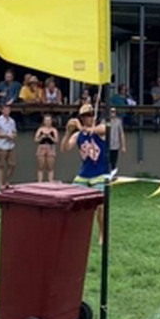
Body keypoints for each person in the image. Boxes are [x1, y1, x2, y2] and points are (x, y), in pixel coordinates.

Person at [64, 104, 109, 244]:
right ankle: (75, 233)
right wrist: (67, 132)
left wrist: (80, 128)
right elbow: (65, 148)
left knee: (101, 206)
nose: (89, 118)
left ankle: (102, 233)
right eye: (86, 116)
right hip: (84, 173)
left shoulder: (100, 129)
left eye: (91, 115)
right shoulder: (78, 135)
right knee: (71, 203)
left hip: (100, 173)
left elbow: (102, 129)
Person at [0, 103, 18, 189]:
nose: (7, 111)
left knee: (12, 164)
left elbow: (14, 132)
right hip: (1, 145)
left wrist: (13, 136)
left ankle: (7, 181)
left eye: (8, 109)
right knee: (1, 164)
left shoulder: (12, 121)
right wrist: (6, 135)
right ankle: (0, 184)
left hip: (10, 145)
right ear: (1, 110)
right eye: (5, 109)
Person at [33, 114, 59, 183]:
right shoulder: (40, 129)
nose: (48, 122)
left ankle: (50, 180)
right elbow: (36, 140)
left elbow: (56, 140)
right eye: (46, 120)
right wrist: (42, 137)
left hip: (50, 147)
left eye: (49, 120)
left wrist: (50, 137)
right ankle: (40, 181)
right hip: (42, 147)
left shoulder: (54, 130)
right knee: (40, 166)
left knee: (50, 166)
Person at [107, 107, 126, 172]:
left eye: (114, 111)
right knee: (106, 162)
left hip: (115, 145)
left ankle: (112, 175)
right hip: (106, 145)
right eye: (111, 111)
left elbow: (121, 133)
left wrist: (123, 146)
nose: (112, 113)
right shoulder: (105, 121)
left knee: (114, 162)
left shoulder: (118, 121)